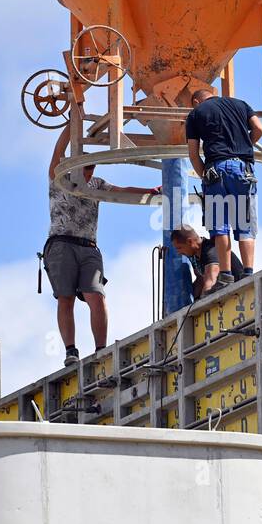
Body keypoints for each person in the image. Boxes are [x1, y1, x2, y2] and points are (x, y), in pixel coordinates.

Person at [45, 132, 159, 366]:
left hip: (89, 247)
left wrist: (150, 192)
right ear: (76, 167)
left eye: (92, 168)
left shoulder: (97, 184)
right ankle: (71, 351)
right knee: (66, 298)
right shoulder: (60, 178)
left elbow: (120, 190)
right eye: (86, 168)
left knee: (96, 295)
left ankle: (100, 349)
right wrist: (70, 124)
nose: (89, 173)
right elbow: (57, 152)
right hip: (61, 243)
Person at [184, 86, 262, 294]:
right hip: (242, 169)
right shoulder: (240, 104)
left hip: (215, 171)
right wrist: (245, 146)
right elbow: (259, 129)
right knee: (245, 224)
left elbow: (193, 154)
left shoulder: (195, 114)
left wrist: (204, 176)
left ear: (196, 102)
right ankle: (248, 272)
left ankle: (226, 275)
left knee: (220, 227)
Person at [170, 225, 245, 299]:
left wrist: (199, 307)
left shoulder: (210, 250)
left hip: (240, 292)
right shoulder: (193, 255)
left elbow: (211, 281)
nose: (179, 252)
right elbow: (201, 279)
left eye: (179, 248)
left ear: (189, 241)